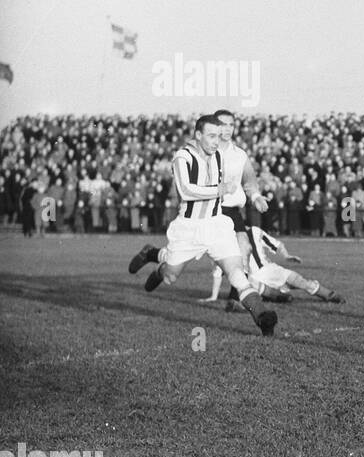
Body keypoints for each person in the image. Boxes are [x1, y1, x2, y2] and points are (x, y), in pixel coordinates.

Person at [127, 114, 277, 336]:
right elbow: (186, 191)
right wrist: (218, 190)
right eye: (211, 136)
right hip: (189, 227)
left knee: (236, 273)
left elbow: (244, 178)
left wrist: (254, 195)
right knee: (170, 276)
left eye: (219, 136)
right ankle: (153, 255)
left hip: (217, 224)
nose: (217, 141)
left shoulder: (220, 156)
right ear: (198, 135)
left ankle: (262, 317)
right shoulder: (182, 157)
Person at [203, 109, 271, 302]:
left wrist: (256, 196)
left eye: (231, 124)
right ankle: (155, 257)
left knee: (244, 248)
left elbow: (249, 180)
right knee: (185, 256)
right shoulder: (203, 151)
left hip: (231, 211)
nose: (227, 129)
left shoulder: (240, 154)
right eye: (222, 124)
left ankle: (235, 297)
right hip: (209, 210)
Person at [229, 225, 345, 306]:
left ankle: (330, 295)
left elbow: (277, 244)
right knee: (251, 283)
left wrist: (286, 255)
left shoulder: (254, 231)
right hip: (250, 277)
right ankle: (279, 296)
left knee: (299, 281)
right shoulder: (227, 238)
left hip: (269, 270)